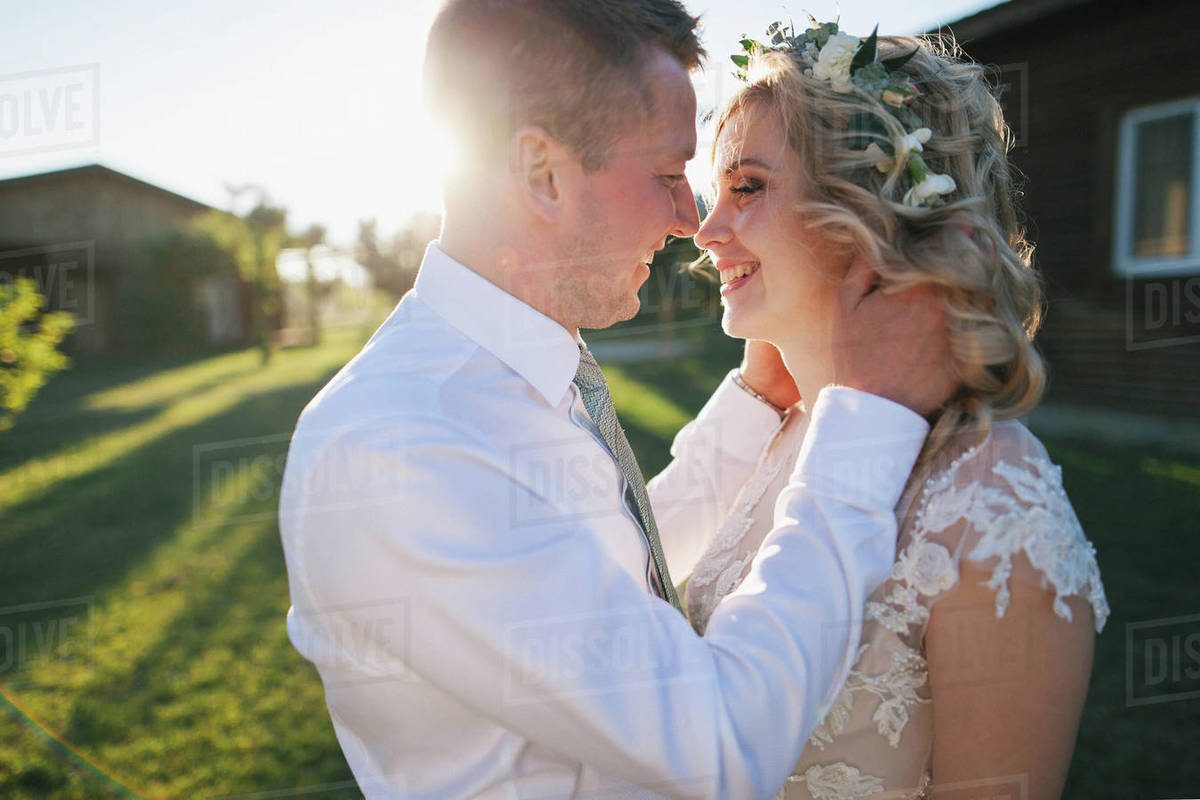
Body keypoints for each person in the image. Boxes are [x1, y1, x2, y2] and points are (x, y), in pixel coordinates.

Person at [277, 2, 957, 798]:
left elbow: (596, 575)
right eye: (671, 176)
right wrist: (866, 421)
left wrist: (750, 406)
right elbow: (717, 744)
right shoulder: (397, 445)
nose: (690, 220)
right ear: (544, 176)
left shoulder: (505, 371)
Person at [652, 22, 1109, 799]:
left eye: (749, 187)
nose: (706, 230)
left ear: (869, 209)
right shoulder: (785, 431)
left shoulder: (994, 503)